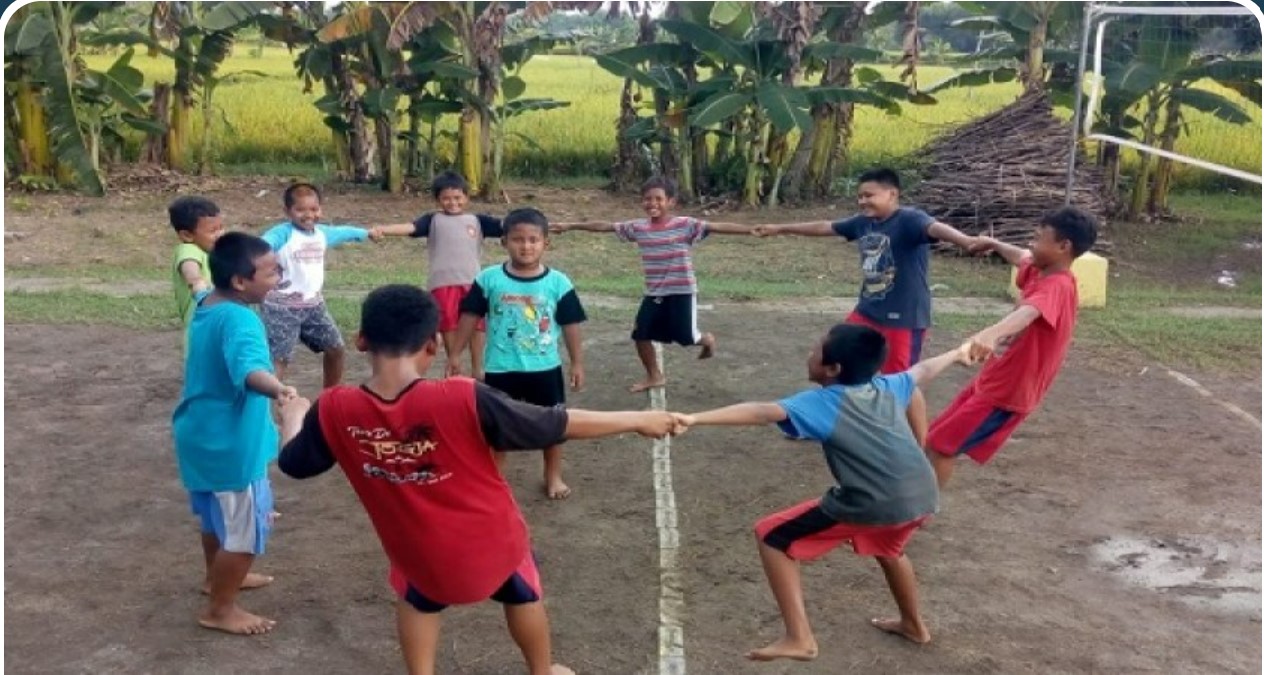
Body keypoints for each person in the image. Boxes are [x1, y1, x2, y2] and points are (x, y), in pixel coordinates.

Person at [276, 284, 685, 675]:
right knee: (524, 591)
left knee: (416, 599)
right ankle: (542, 670)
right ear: (433, 345)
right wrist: (636, 419)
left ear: (361, 340)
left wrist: (293, 417)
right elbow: (554, 423)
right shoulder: (460, 396)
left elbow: (295, 464)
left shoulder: (334, 408)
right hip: (493, 543)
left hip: (417, 552)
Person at [680, 324, 975, 660]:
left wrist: (692, 418)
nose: (809, 354)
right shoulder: (888, 385)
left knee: (771, 536)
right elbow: (923, 369)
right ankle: (914, 626)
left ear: (832, 369)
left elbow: (762, 411)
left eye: (815, 351)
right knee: (890, 549)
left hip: (872, 503)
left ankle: (799, 637)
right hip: (923, 495)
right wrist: (957, 353)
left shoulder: (823, 403)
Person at [172, 232, 296, 636]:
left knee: (215, 521)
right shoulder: (242, 318)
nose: (278, 277)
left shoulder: (207, 304)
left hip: (200, 435)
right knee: (244, 533)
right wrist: (279, 389)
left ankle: (216, 579)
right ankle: (220, 609)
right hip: (231, 446)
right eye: (271, 272)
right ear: (240, 282)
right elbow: (249, 371)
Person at [926, 206, 1098, 488]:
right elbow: (1021, 257)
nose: (1031, 243)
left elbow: (1028, 312)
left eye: (1038, 237)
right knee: (933, 440)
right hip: (994, 380)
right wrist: (994, 244)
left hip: (1007, 394)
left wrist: (991, 333)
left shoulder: (1058, 286)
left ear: (1063, 246)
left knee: (942, 447)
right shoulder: (1040, 269)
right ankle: (909, 507)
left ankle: (914, 516)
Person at [752, 167, 978, 375]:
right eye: (860, 196)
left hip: (904, 318)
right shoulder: (863, 223)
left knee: (900, 380)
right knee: (836, 353)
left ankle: (899, 418)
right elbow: (825, 226)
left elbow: (934, 227)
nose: (863, 201)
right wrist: (780, 228)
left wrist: (966, 241)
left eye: (869, 196)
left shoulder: (909, 219)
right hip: (867, 310)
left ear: (892, 194)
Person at [552, 176, 752, 393]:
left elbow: (716, 226)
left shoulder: (685, 225)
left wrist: (752, 229)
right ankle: (654, 375)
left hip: (681, 290)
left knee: (685, 337)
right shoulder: (638, 227)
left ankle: (706, 340)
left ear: (671, 202)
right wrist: (570, 225)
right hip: (655, 292)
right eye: (647, 199)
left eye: (659, 199)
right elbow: (605, 226)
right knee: (641, 334)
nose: (652, 203)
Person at [448, 208, 586, 500]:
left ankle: (552, 475)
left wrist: (577, 362)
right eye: (518, 239)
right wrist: (455, 354)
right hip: (500, 368)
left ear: (546, 243)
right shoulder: (488, 279)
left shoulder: (559, 283)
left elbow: (570, 324)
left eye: (533, 240)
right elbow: (470, 317)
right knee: (497, 428)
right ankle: (495, 480)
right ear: (503, 242)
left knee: (554, 425)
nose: (526, 246)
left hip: (545, 368)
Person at [376, 171, 503, 379]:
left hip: (474, 283)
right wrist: (383, 229)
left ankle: (478, 368)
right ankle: (454, 364)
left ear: (466, 198)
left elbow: (509, 226)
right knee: (449, 323)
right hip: (443, 284)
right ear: (438, 200)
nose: (452, 203)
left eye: (457, 198)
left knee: (477, 324)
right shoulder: (432, 220)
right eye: (446, 198)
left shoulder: (478, 221)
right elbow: (410, 228)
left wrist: (552, 227)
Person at [260, 182, 384, 389]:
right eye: (300, 210)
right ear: (288, 211)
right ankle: (261, 402)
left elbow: (343, 232)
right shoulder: (282, 234)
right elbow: (262, 245)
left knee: (335, 348)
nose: (308, 215)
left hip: (313, 306)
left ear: (320, 209)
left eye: (314, 209)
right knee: (279, 359)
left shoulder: (321, 233)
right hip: (281, 309)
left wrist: (366, 233)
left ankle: (331, 396)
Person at [169, 195, 225, 348]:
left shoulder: (214, 253)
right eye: (213, 231)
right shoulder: (188, 250)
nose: (220, 234)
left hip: (220, 321)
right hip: (202, 327)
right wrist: (196, 281)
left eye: (221, 228)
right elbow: (189, 266)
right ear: (187, 235)